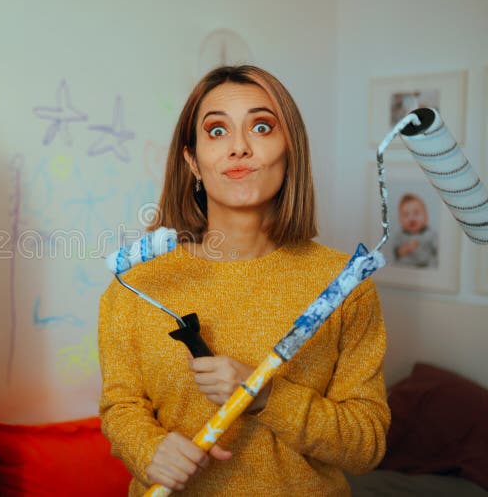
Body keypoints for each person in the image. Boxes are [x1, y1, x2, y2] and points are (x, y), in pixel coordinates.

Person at [98, 65, 390, 496]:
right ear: (192, 161)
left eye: (261, 126)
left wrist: (267, 395)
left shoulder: (345, 285)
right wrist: (148, 449)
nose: (239, 148)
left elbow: (366, 446)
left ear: (291, 150)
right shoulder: (136, 287)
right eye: (217, 131)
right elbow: (120, 408)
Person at [390, 192, 438, 268]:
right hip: (405, 268)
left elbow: (437, 252)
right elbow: (395, 253)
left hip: (425, 267)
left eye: (416, 213)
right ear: (400, 219)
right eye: (406, 215)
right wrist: (405, 249)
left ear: (426, 216)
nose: (411, 218)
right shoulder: (400, 235)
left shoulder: (430, 234)